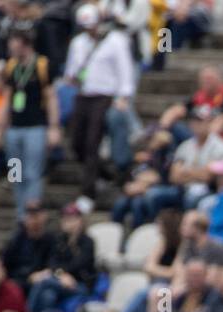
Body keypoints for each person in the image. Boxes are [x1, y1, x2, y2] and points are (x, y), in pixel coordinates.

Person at [63, 3, 136, 198]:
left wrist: (123, 96)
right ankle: (105, 173)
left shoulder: (115, 40)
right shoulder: (78, 43)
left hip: (104, 96)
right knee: (76, 142)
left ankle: (88, 192)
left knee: (92, 142)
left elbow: (125, 70)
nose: (90, 30)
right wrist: (71, 78)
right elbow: (71, 72)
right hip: (83, 94)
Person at [2, 29, 62, 218]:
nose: (11, 47)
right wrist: (1, 127)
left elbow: (51, 97)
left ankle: (31, 214)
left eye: (14, 42)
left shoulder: (41, 65)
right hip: (14, 128)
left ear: (24, 43)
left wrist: (54, 127)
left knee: (32, 172)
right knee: (15, 174)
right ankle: (21, 214)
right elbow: (7, 98)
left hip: (35, 127)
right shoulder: (11, 66)